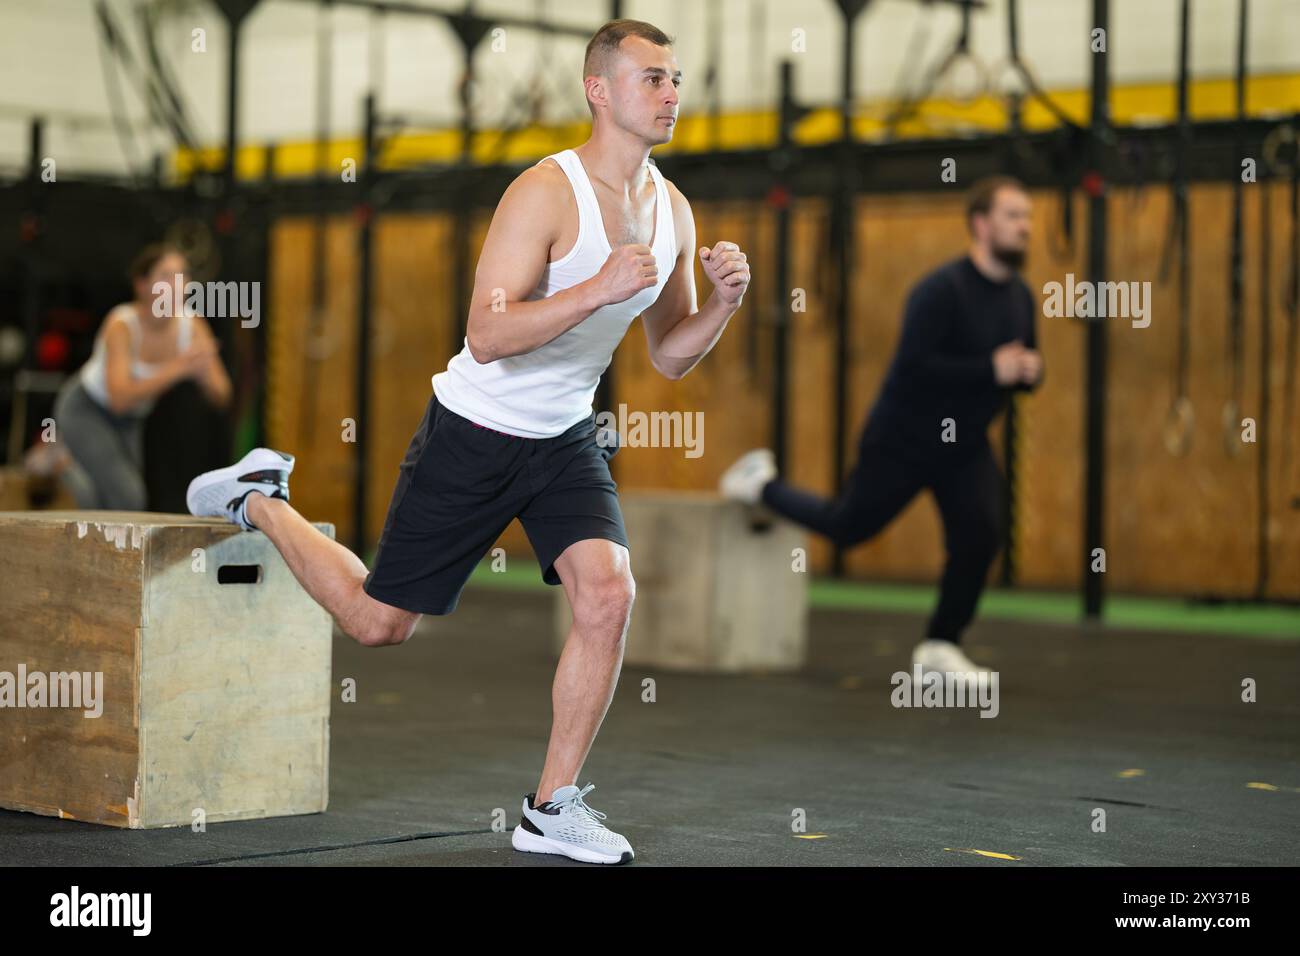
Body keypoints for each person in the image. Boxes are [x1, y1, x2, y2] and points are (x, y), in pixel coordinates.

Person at [186, 19, 751, 865]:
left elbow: (669, 355)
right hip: (476, 429)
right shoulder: (544, 192)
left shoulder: (672, 209)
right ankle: (258, 497)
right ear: (599, 89)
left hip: (563, 438)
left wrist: (720, 306)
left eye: (676, 79)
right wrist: (597, 288)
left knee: (609, 592)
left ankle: (551, 807)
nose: (672, 94)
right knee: (379, 626)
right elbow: (485, 335)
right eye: (653, 78)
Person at [721, 175, 1044, 677]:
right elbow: (915, 367)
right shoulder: (940, 291)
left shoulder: (1020, 297)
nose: (1025, 227)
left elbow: (1019, 368)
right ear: (981, 224)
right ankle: (760, 485)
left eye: (1027, 216)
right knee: (849, 526)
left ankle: (939, 645)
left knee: (981, 533)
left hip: (965, 443)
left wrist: (1028, 373)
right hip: (905, 435)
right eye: (1013, 216)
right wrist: (989, 368)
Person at [52, 244, 232, 511]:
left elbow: (223, 395)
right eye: (166, 276)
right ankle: (62, 462)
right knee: (127, 496)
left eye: (182, 276)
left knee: (122, 502)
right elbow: (119, 399)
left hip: (131, 420)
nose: (176, 284)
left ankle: (67, 462)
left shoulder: (191, 325)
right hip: (86, 410)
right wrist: (180, 368)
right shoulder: (122, 324)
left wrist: (204, 372)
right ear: (142, 285)